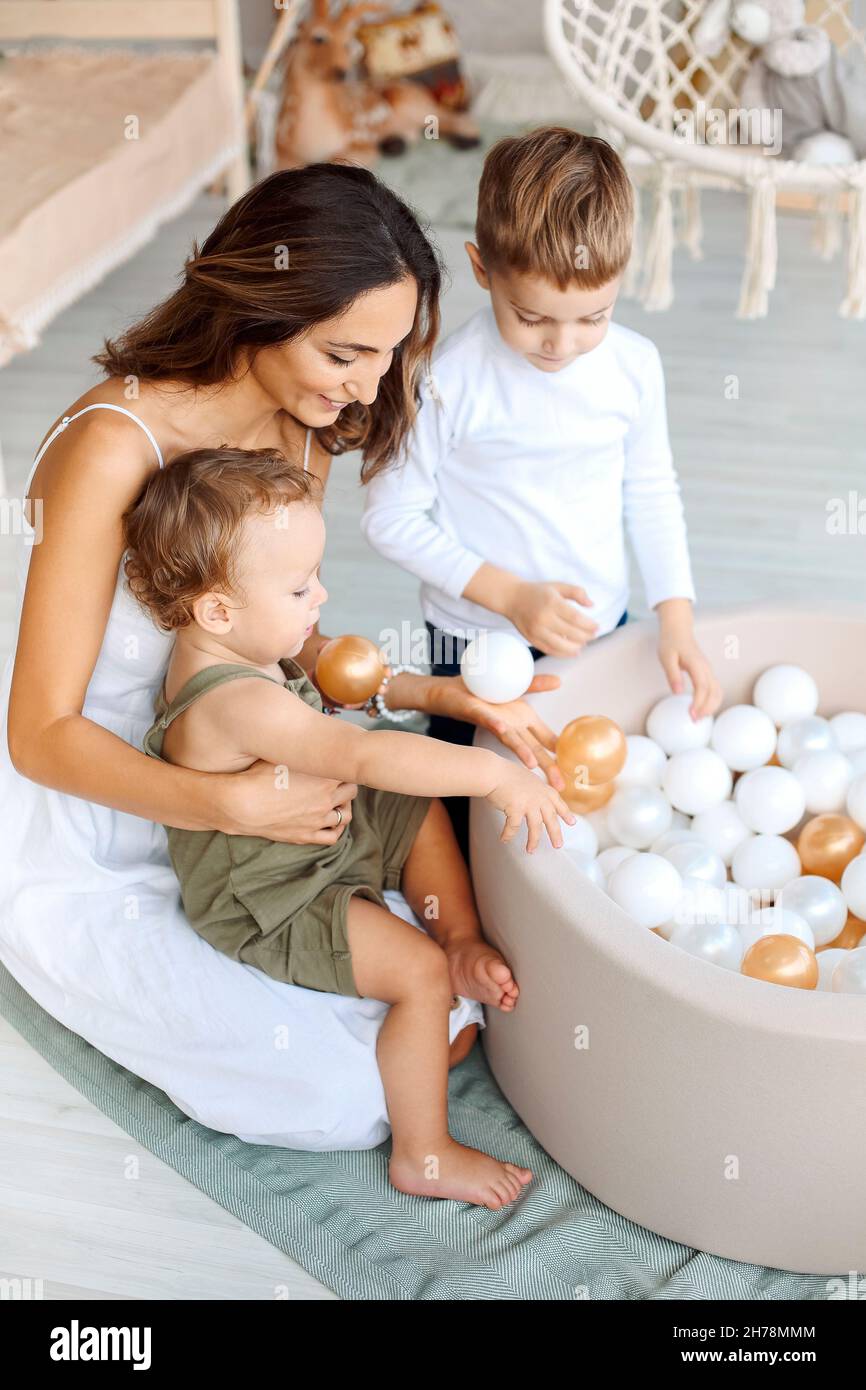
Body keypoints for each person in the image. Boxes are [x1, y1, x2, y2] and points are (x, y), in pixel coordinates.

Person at [0, 164, 567, 1152]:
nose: (368, 388)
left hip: (241, 752)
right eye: (345, 352)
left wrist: (423, 690)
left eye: (388, 356)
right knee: (341, 1096)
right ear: (259, 307)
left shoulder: (298, 425)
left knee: (437, 988)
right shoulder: (113, 446)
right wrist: (232, 804)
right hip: (100, 803)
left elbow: (277, 632)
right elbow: (39, 738)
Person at [125, 446, 574, 1205]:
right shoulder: (235, 701)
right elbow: (358, 755)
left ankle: (458, 935)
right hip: (278, 893)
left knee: (415, 806)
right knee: (417, 975)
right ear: (217, 611)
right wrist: (496, 774)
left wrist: (413, 691)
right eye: (300, 587)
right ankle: (422, 1152)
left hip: (319, 826)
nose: (321, 595)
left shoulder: (238, 645)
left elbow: (355, 728)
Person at [361, 126, 724, 857]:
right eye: (532, 319)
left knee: (582, 785)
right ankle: (456, 910)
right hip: (477, 636)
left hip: (600, 623)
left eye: (594, 317)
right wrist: (511, 597)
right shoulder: (445, 377)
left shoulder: (633, 368)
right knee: (472, 800)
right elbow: (389, 517)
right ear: (483, 268)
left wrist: (676, 616)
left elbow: (652, 489)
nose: (562, 345)